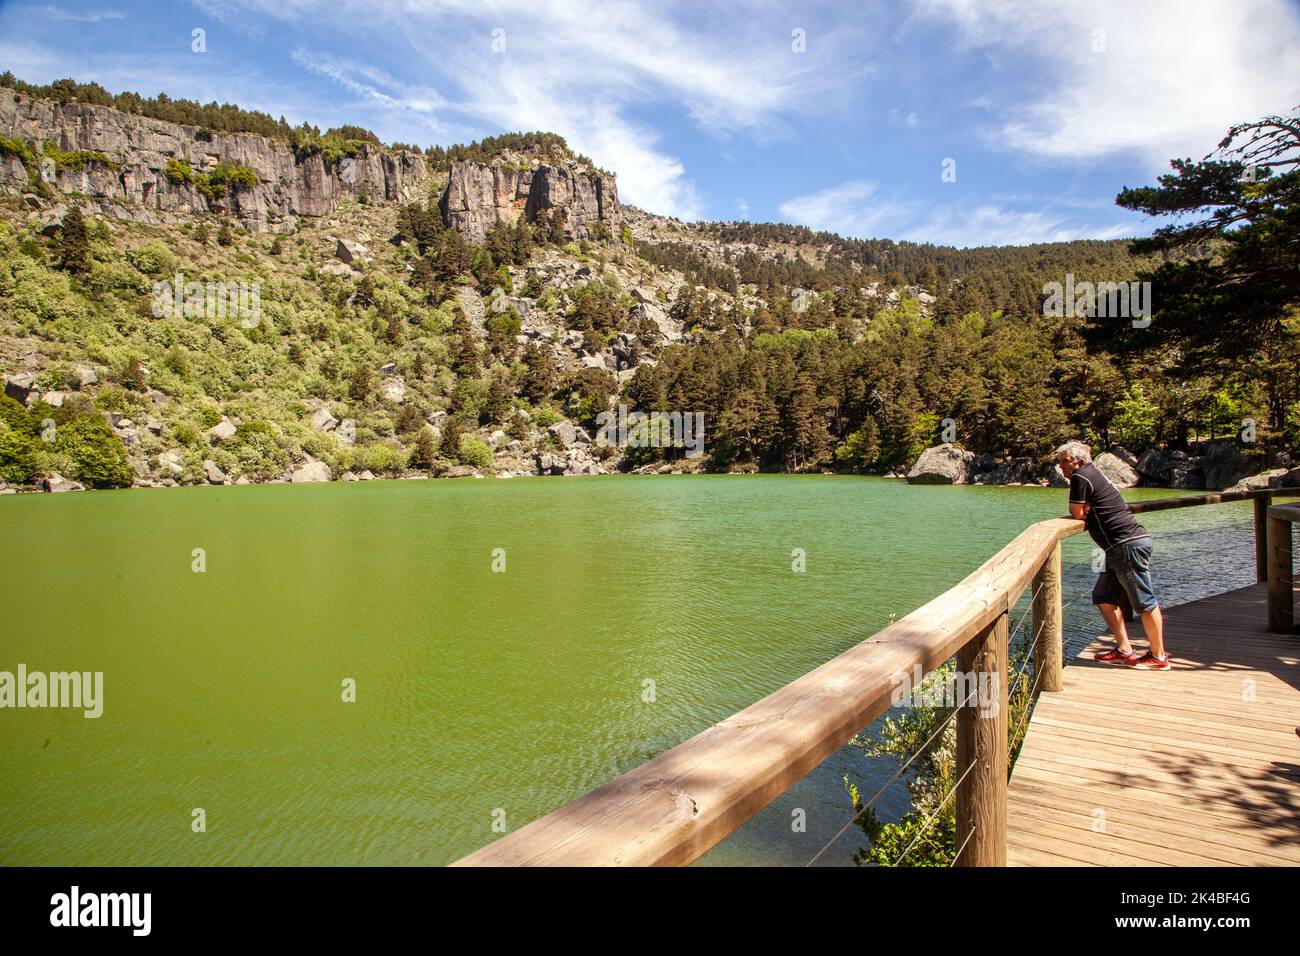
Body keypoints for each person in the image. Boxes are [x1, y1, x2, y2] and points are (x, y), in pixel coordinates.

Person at [1055, 441, 1170, 670]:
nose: (1061, 467)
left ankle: (1159, 657)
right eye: (1059, 462)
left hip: (1126, 545)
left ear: (1079, 460)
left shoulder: (1081, 476)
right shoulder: (1093, 473)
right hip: (1119, 547)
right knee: (1103, 596)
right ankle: (1125, 650)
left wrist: (1084, 510)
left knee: (1145, 602)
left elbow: (1076, 512)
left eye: (1065, 461)